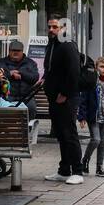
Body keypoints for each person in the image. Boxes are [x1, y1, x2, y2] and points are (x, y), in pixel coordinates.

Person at [42, 16, 84, 185]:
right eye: (49, 26)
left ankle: (78, 171)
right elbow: (52, 68)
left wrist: (65, 93)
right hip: (55, 96)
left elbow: (74, 72)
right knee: (61, 134)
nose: (51, 30)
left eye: (55, 27)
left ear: (63, 28)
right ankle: (64, 170)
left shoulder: (67, 45)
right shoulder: (53, 44)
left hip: (66, 97)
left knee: (69, 134)